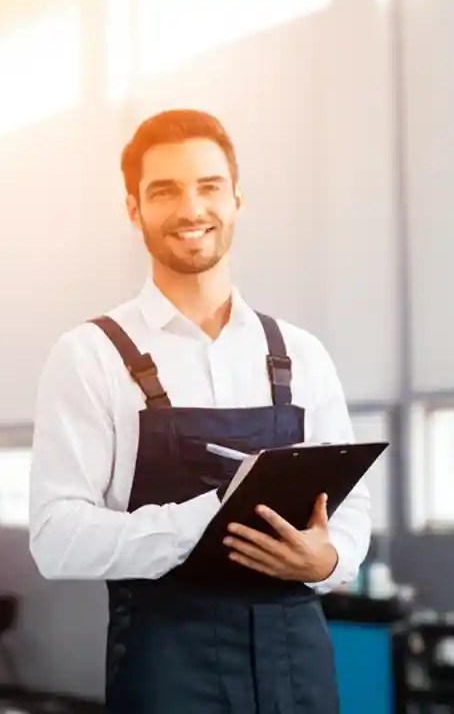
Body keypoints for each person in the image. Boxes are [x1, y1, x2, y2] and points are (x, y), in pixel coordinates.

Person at [27, 109, 371, 713]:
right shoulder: (90, 356)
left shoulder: (299, 354)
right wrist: (211, 520)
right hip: (168, 668)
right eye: (165, 191)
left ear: (237, 199)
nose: (191, 209)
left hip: (298, 666)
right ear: (133, 210)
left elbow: (350, 507)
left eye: (209, 187)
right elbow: (56, 537)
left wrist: (330, 558)